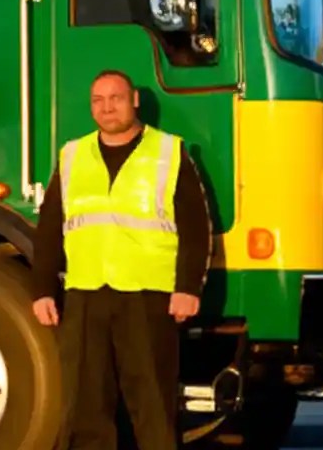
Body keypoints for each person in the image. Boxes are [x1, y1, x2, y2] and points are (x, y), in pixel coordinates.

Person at [32, 68, 212, 450]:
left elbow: (195, 226)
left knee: (152, 403)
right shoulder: (72, 154)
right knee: (84, 404)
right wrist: (43, 290)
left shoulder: (168, 152)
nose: (106, 108)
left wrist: (188, 289)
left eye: (115, 98)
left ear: (134, 101)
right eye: (98, 101)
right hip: (85, 293)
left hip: (147, 295)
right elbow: (50, 228)